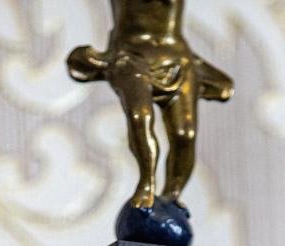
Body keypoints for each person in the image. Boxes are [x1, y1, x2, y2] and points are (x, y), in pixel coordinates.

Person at [68, 0, 233, 215]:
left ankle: (172, 194)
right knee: (140, 116)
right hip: (130, 56)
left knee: (185, 134)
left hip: (176, 57)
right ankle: (146, 182)